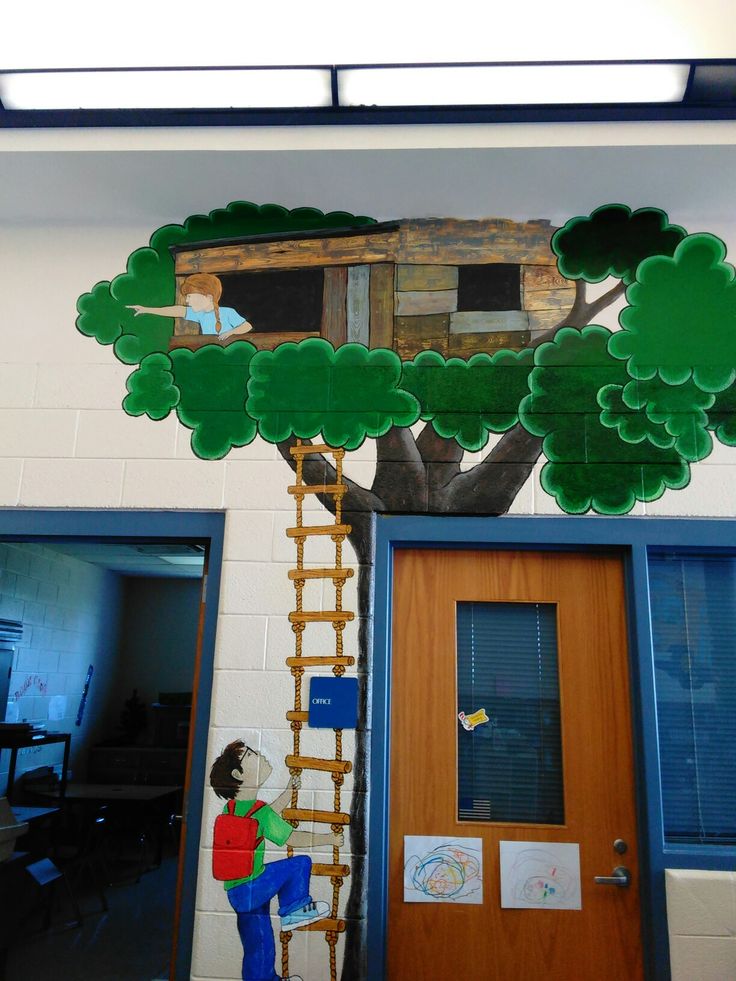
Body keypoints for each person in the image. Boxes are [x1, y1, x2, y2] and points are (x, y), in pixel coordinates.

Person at [209, 739, 342, 981]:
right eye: (251, 755)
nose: (260, 754)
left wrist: (288, 792)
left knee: (258, 946)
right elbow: (292, 837)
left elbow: (266, 813)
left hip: (236, 893)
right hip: (254, 885)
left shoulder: (230, 810)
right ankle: (295, 907)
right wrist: (329, 839)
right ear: (239, 774)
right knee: (299, 864)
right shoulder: (261, 814)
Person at [127, 272, 253, 338]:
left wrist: (230, 333)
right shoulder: (200, 314)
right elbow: (176, 310)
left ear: (208, 297)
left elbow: (246, 326)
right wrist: (146, 309)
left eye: (190, 296)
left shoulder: (227, 312)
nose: (187, 301)